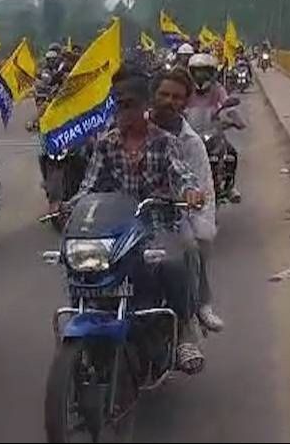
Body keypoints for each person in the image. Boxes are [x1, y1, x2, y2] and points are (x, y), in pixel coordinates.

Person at [69, 67, 207, 373]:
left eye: (128, 104)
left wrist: (191, 191)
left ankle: (184, 331)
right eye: (116, 103)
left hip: (157, 223)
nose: (121, 111)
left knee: (175, 262)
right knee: (80, 262)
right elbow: (89, 186)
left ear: (145, 105)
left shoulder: (164, 142)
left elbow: (180, 174)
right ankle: (86, 317)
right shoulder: (105, 143)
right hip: (115, 227)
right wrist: (72, 206)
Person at [149, 68, 225, 333]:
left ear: (186, 101)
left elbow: (200, 183)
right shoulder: (129, 130)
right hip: (129, 216)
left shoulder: (190, 142)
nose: (170, 101)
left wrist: (198, 211)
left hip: (173, 214)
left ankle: (191, 319)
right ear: (152, 96)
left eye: (177, 97)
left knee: (192, 247)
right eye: (164, 95)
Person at [186, 52, 244, 203]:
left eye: (204, 71)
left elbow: (228, 105)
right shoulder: (186, 90)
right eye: (197, 71)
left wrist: (236, 120)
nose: (201, 75)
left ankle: (230, 186)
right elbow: (177, 106)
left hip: (212, 129)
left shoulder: (217, 88)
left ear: (211, 73)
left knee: (231, 153)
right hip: (190, 132)